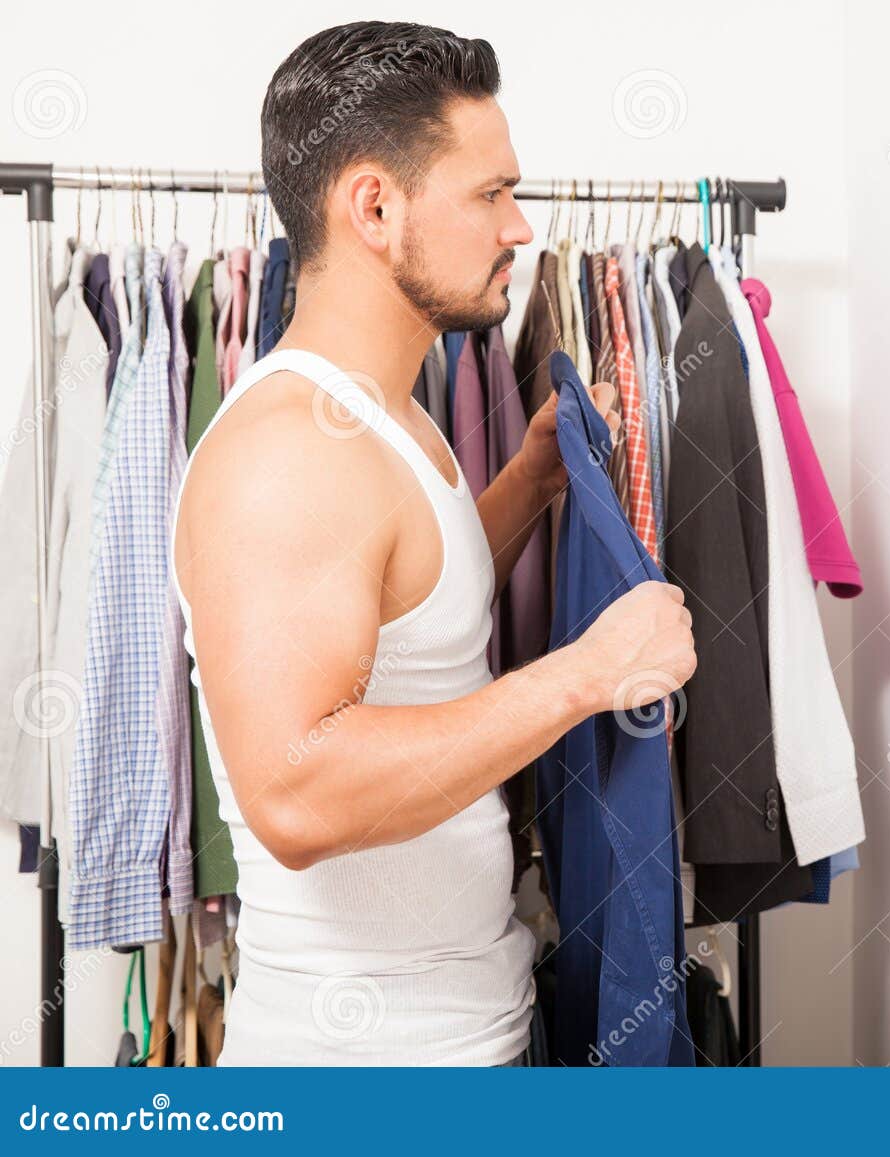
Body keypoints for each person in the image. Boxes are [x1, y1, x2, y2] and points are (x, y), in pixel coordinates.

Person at [171, 20, 696, 1065]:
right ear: (374, 205)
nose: (519, 227)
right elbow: (295, 791)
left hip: (459, 1034)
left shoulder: (384, 414)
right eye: (490, 193)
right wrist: (585, 675)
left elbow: (405, 609)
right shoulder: (290, 452)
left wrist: (524, 484)